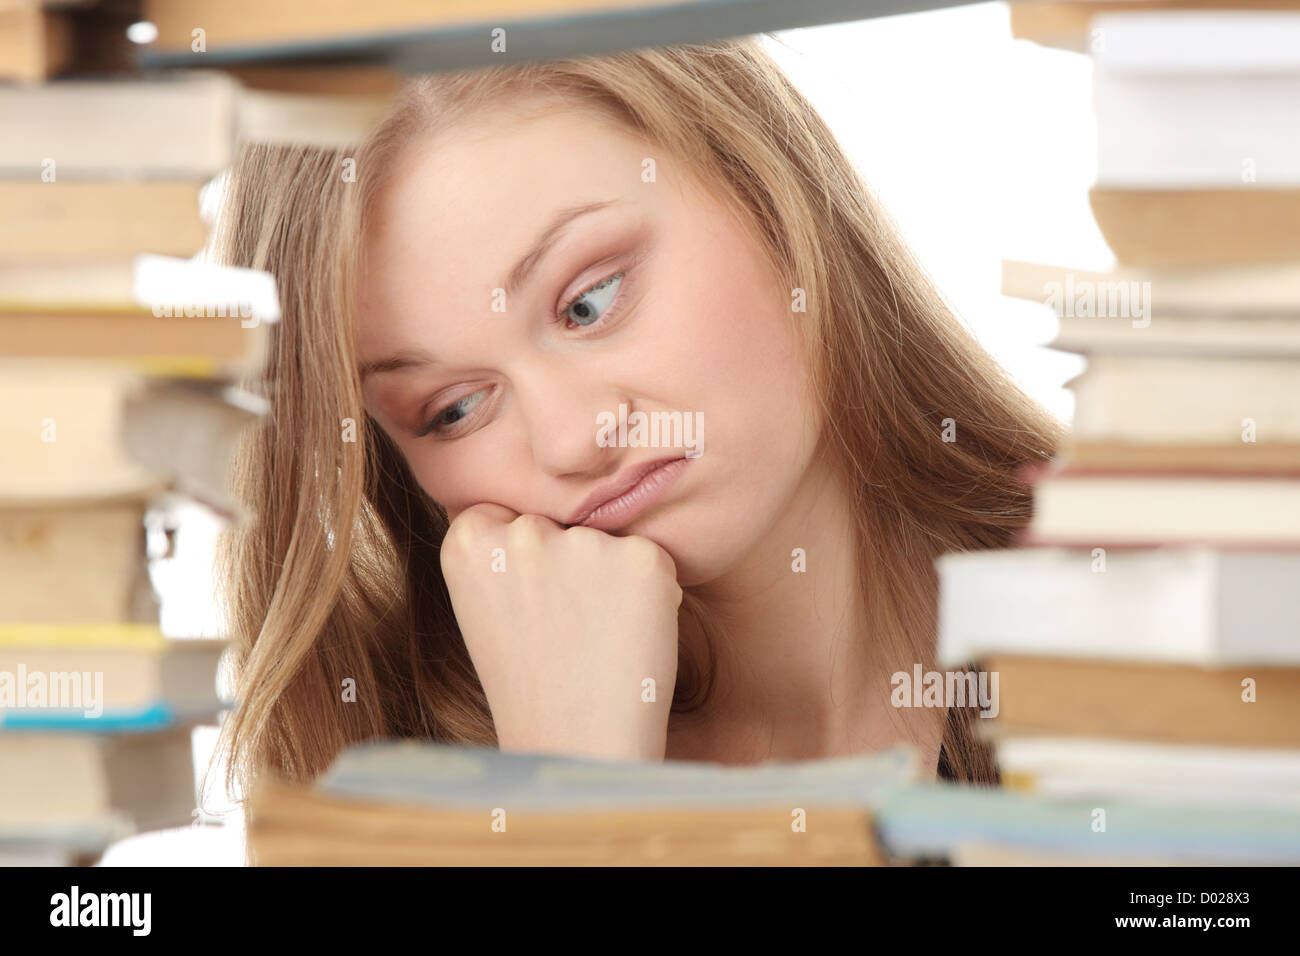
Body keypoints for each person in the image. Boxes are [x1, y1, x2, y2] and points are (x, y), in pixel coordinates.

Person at [208, 37, 1064, 803]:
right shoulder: (373, 775)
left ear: (763, 183)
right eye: (454, 409)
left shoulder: (1146, 625)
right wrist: (573, 788)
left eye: (591, 301)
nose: (573, 439)